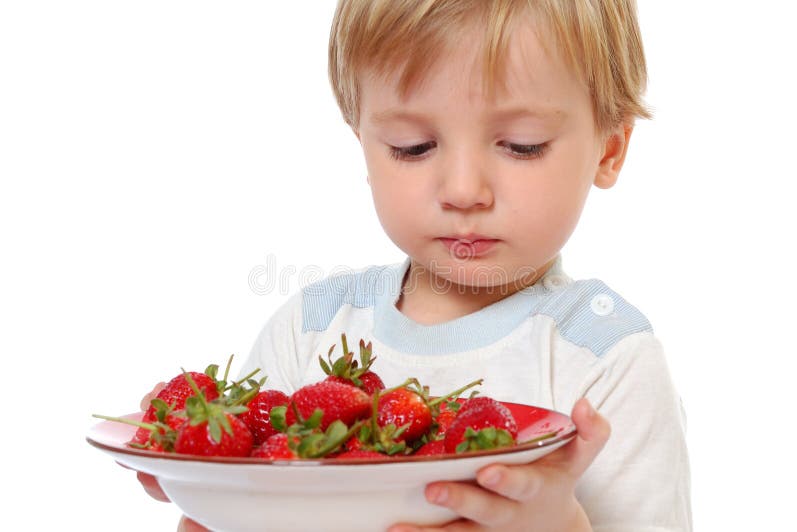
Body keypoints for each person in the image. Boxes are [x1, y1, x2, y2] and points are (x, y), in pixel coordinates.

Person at [155, 1, 692, 530]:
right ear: (364, 146)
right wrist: (201, 482)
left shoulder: (607, 359)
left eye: (522, 146)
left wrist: (563, 526)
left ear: (609, 150)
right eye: (412, 148)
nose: (463, 190)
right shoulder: (310, 328)